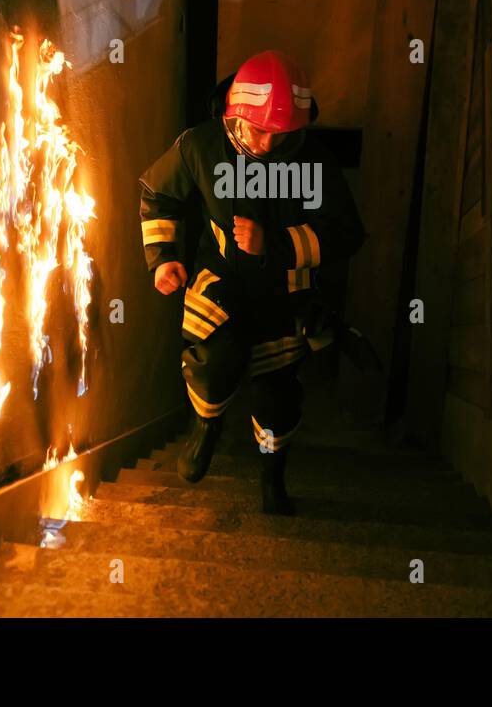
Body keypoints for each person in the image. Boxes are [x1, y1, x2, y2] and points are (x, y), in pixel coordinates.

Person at [138, 50, 365, 514]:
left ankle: (272, 477)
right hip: (219, 281)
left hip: (286, 295)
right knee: (213, 361)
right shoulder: (199, 147)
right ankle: (205, 428)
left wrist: (276, 245)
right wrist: (162, 259)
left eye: (279, 134)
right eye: (257, 129)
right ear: (233, 114)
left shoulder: (315, 165)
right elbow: (158, 194)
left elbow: (348, 233)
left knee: (277, 400)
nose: (265, 143)